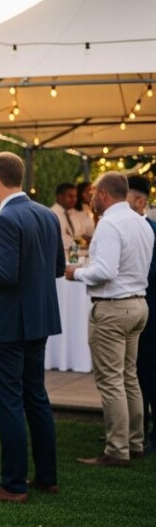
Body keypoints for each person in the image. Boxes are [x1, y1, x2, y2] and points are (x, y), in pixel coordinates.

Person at [0, 152, 63, 503]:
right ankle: (47, 477)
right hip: (38, 320)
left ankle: (13, 485)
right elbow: (57, 268)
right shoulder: (47, 215)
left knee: (9, 402)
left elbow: (4, 276)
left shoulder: (6, 219)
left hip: (7, 325)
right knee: (36, 396)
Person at [65, 172, 153, 467]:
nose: (89, 198)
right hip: (138, 306)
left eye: (93, 193)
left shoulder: (110, 224)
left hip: (114, 309)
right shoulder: (141, 223)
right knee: (129, 377)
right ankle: (135, 442)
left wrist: (74, 272)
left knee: (111, 380)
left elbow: (104, 271)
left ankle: (116, 450)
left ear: (103, 194)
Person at [125, 175, 156, 456]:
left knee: (148, 372)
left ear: (139, 201)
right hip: (141, 308)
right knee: (134, 372)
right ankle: (135, 430)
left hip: (150, 309)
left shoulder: (150, 229)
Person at [52, 182, 94, 250]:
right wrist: (82, 241)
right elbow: (63, 241)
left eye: (75, 196)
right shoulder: (52, 215)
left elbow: (83, 234)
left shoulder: (74, 214)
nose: (74, 199)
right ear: (59, 197)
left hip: (77, 255)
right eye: (70, 196)